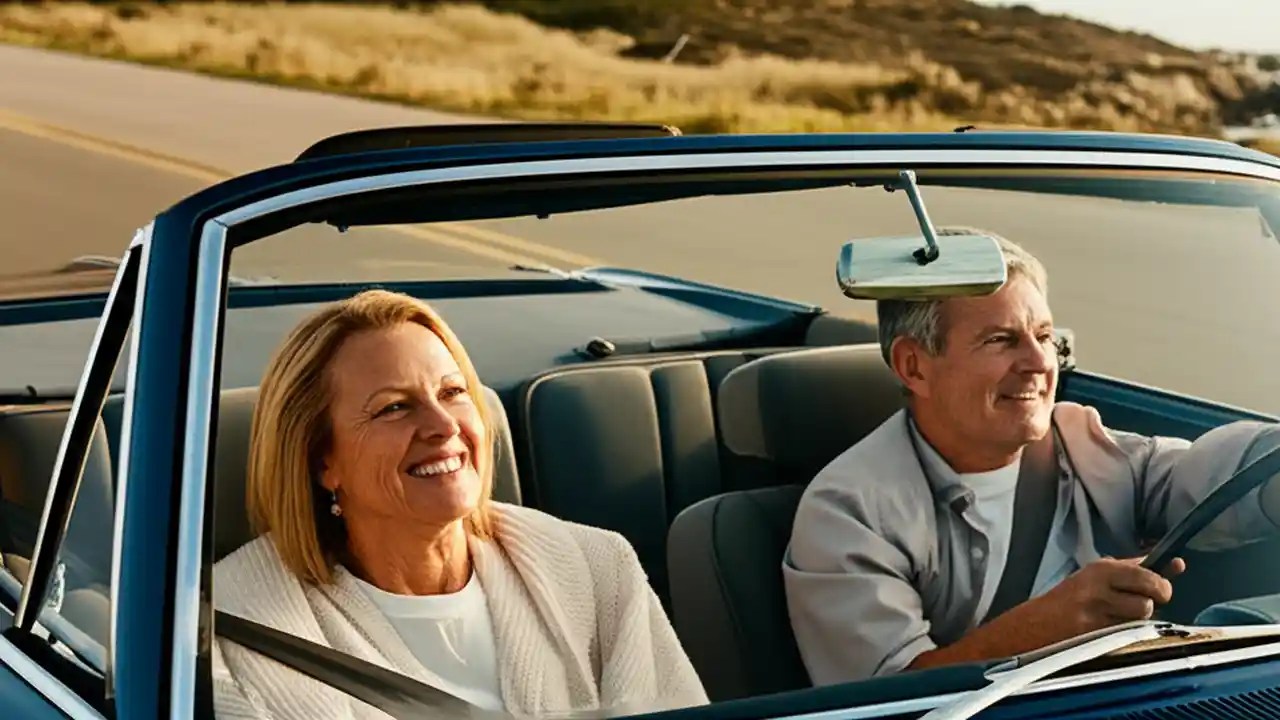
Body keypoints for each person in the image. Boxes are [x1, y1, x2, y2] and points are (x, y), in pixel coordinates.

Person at [783, 228, 1280, 686]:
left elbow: (1195, 478)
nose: (1040, 363)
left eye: (1045, 337)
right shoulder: (849, 511)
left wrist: (1272, 466)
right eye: (1001, 340)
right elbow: (883, 701)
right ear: (914, 366)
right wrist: (1046, 625)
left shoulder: (1079, 442)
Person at [212, 289, 707, 719]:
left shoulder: (596, 569)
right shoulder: (235, 629)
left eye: (452, 392)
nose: (444, 426)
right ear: (322, 462)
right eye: (394, 407)